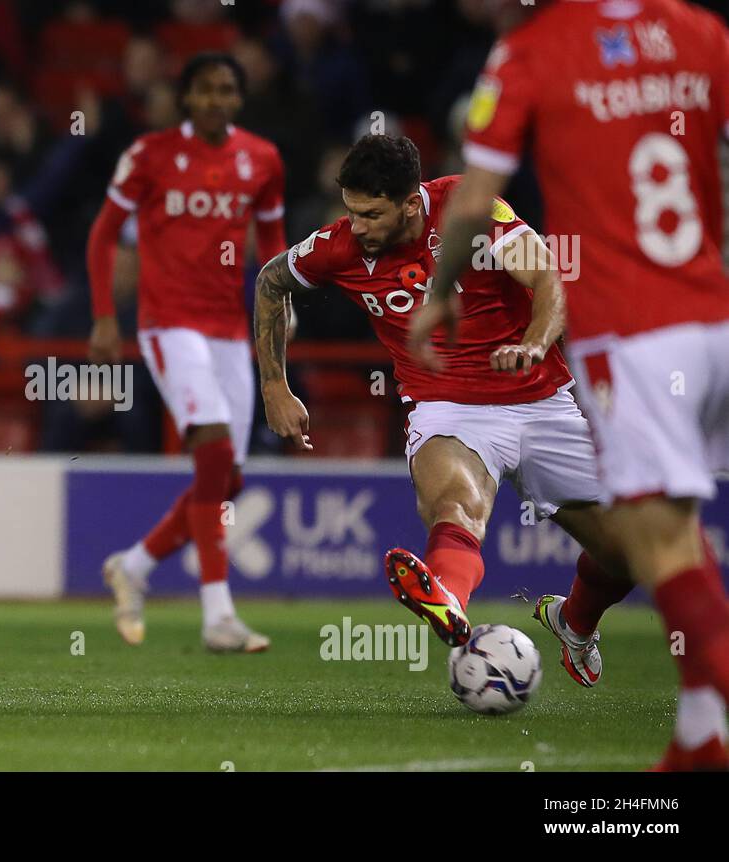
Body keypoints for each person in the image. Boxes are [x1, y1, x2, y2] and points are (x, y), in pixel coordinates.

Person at [408, 0, 729, 769]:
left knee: (661, 544)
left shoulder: (529, 53)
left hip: (635, 334)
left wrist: (442, 286)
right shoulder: (698, 30)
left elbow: (475, 198)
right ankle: (697, 740)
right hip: (715, 317)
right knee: (672, 539)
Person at [255, 133, 634, 689]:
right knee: (457, 505)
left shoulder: (470, 206)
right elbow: (270, 281)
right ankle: (450, 607)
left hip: (542, 402)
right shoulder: (337, 246)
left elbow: (547, 275)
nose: (357, 226)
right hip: (446, 406)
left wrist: (532, 343)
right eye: (351, 212)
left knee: (631, 552)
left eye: (371, 214)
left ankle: (574, 620)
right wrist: (274, 387)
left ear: (412, 203)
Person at [86, 52, 287, 653]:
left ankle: (135, 566)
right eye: (203, 90)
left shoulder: (263, 159)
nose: (215, 101)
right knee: (215, 452)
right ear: (185, 97)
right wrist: (103, 316)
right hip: (169, 324)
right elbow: (101, 234)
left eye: (226, 90)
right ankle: (219, 615)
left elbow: (273, 240)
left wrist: (283, 302)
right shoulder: (148, 156)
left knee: (228, 479)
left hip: (231, 327)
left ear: (238, 98)